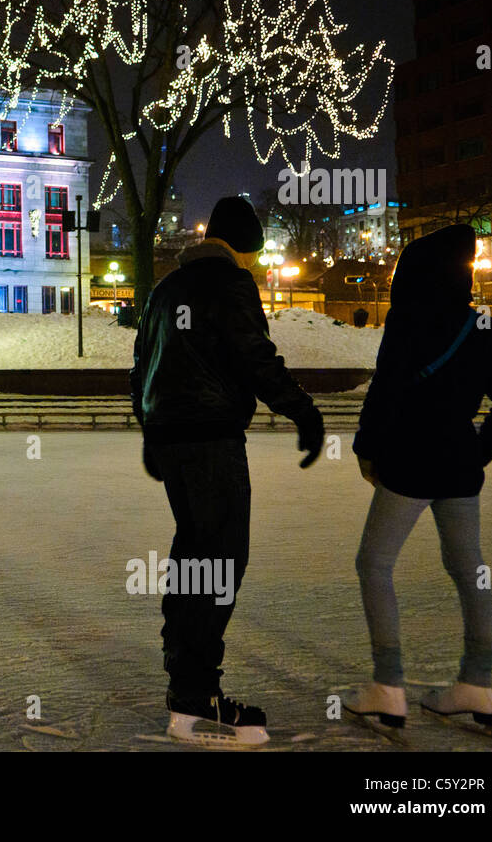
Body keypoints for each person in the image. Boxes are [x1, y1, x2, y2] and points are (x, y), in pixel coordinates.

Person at [130, 195, 325, 747]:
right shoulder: (231, 284)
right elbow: (255, 358)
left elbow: (140, 364)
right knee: (219, 560)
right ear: (241, 248)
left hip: (173, 441)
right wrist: (305, 413)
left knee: (194, 552)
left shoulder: (166, 289)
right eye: (254, 256)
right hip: (211, 440)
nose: (256, 266)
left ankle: (185, 684)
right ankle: (196, 698)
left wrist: (151, 430)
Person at [346, 225, 492, 734]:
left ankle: (388, 685)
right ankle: (477, 680)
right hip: (459, 467)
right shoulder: (484, 326)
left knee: (375, 563)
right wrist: (476, 451)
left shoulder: (407, 319)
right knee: (470, 569)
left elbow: (385, 393)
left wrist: (366, 450)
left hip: (409, 461)